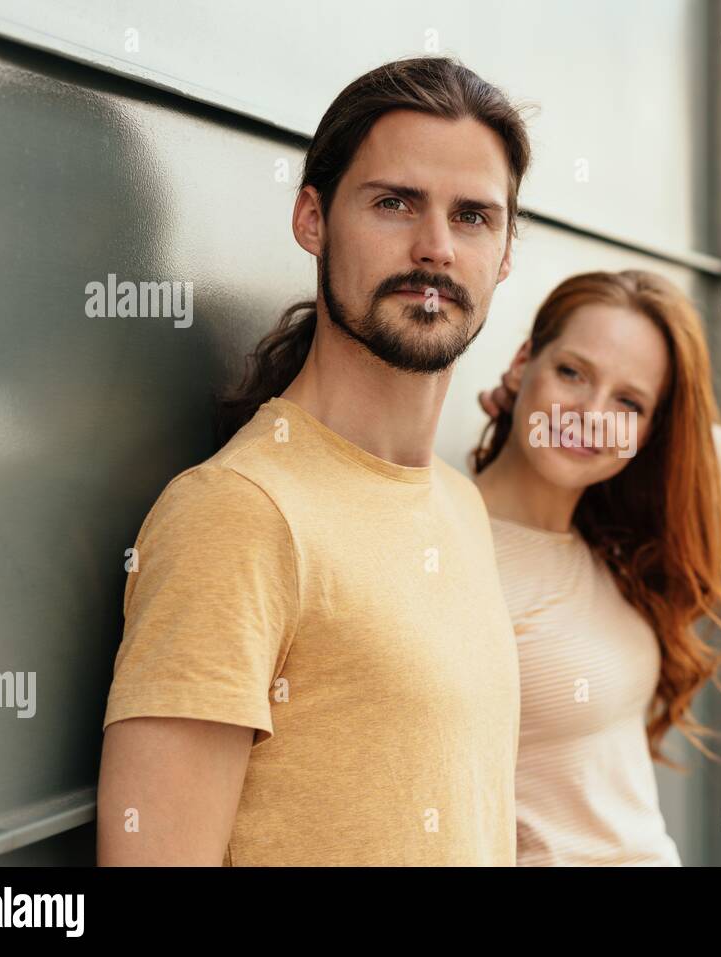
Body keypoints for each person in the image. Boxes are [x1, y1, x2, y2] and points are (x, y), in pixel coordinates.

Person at [96, 55, 532, 865]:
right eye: (395, 203)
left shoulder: (457, 503)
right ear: (313, 219)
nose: (435, 247)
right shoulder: (238, 512)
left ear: (506, 253)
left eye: (473, 216)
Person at [470, 269, 721, 865]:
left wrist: (542, 408)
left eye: (629, 401)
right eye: (572, 373)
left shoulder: (604, 538)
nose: (591, 414)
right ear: (523, 361)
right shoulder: (453, 547)